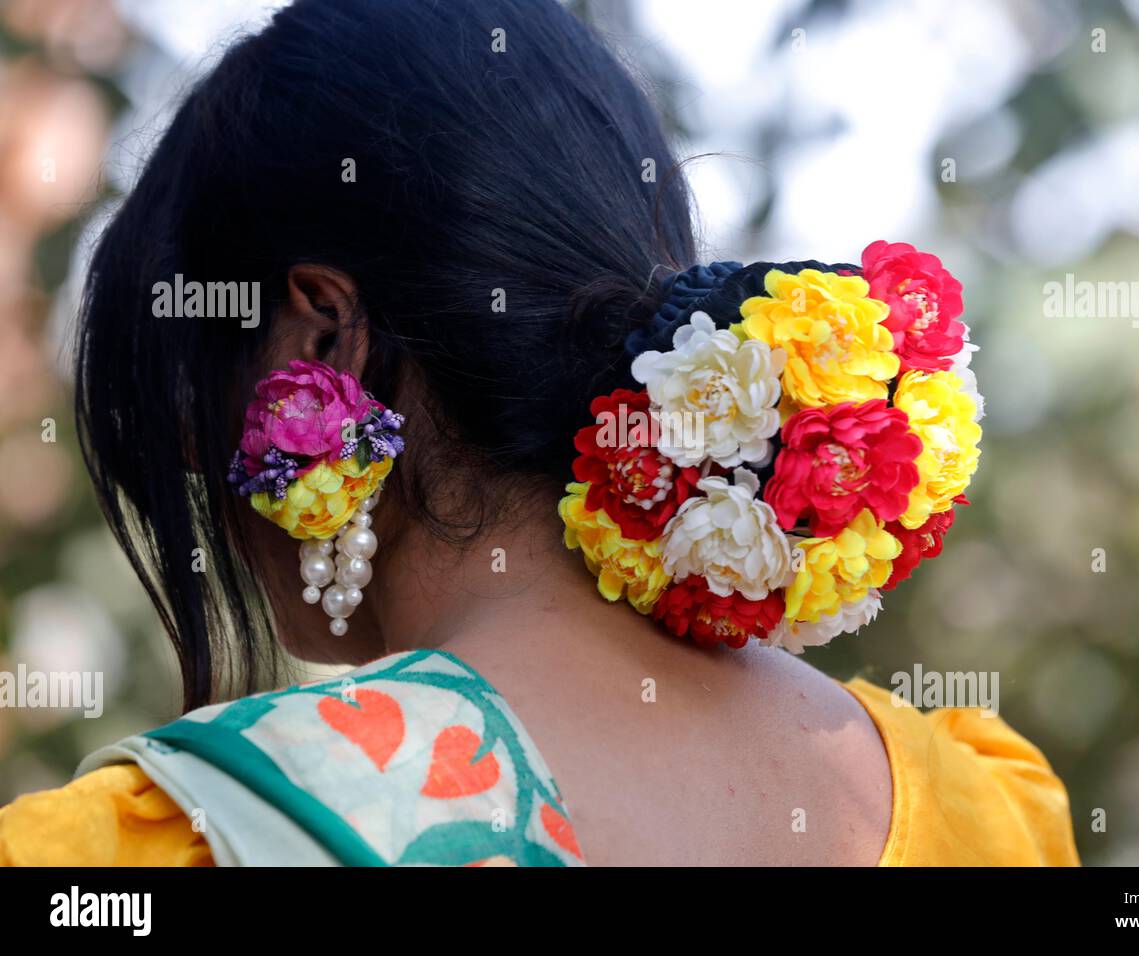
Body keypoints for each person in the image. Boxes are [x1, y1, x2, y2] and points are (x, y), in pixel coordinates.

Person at [0, 0, 1077, 867]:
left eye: (199, 404)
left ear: (322, 334)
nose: (204, 468)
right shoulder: (983, 804)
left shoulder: (159, 846)